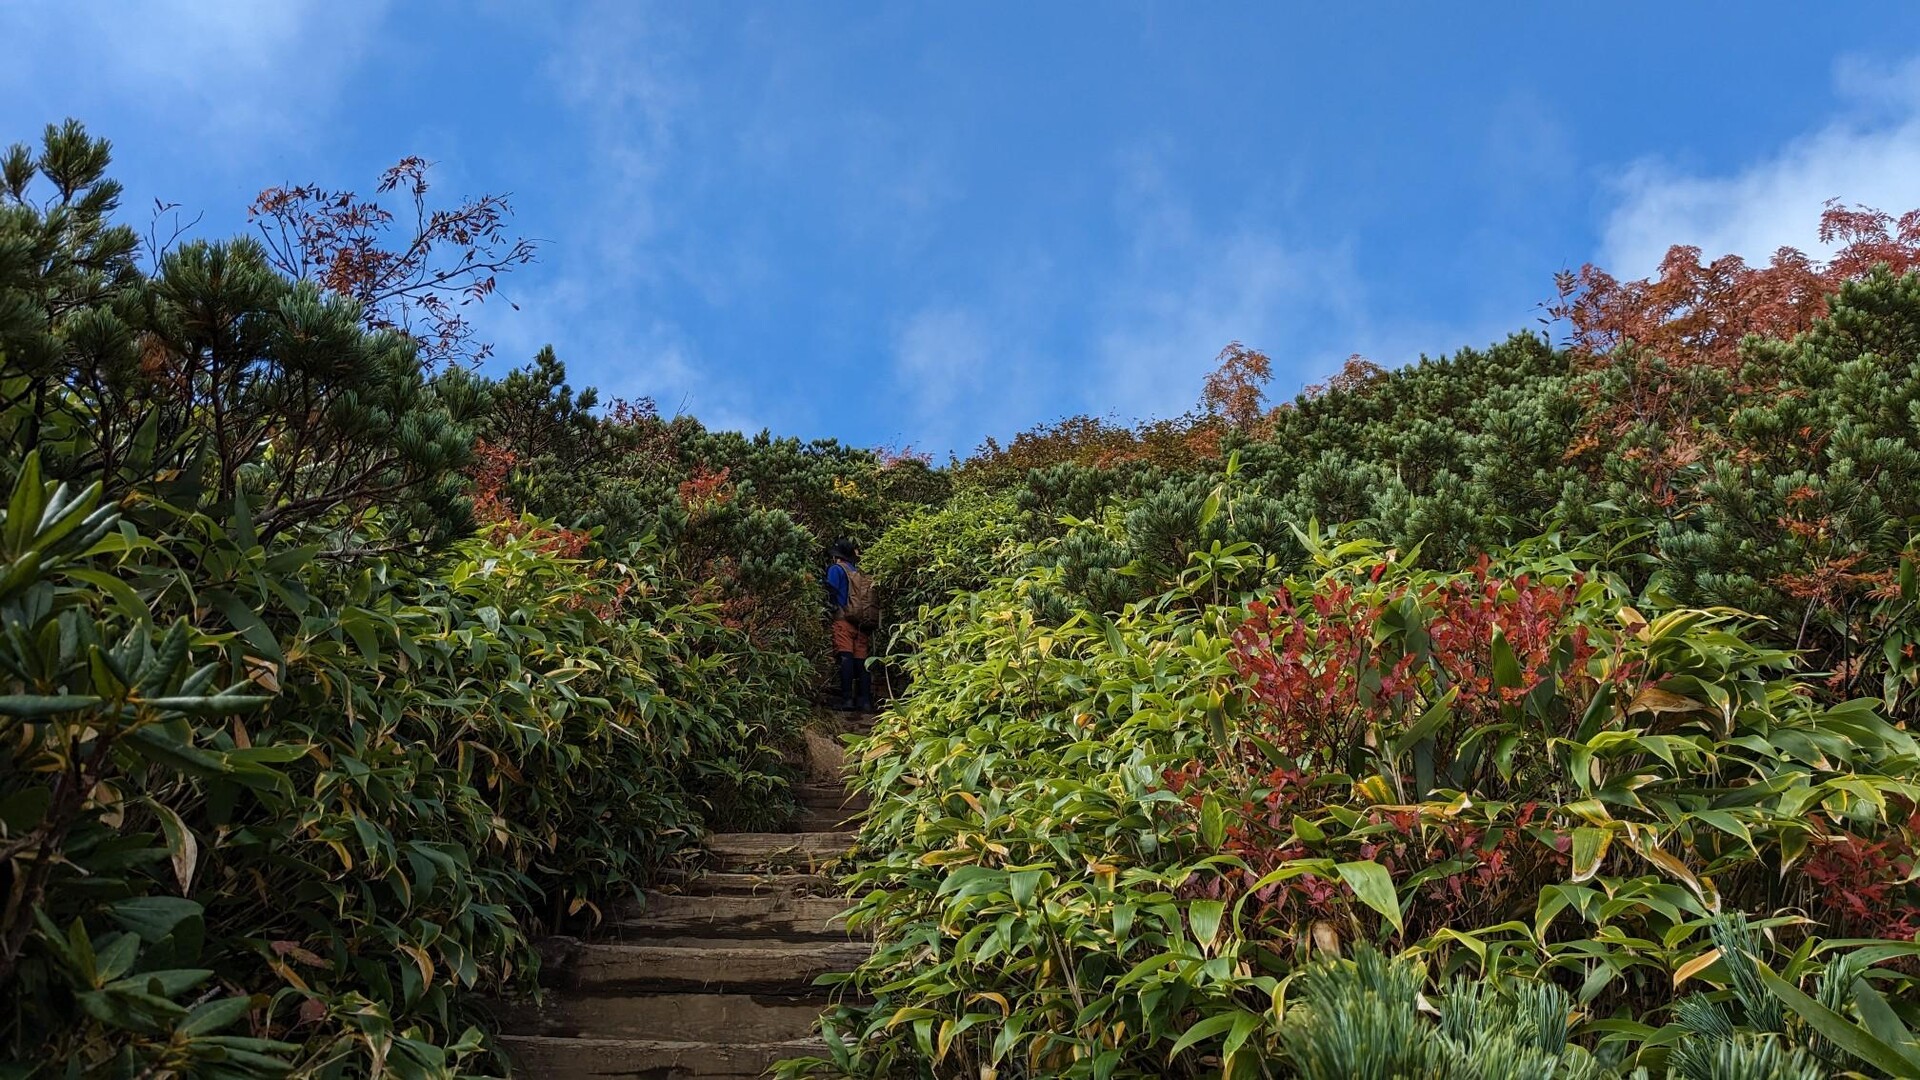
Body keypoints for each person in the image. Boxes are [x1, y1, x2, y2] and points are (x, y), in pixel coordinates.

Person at [825, 538, 876, 711]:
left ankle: (847, 699)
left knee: (845, 658)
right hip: (862, 623)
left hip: (843, 619)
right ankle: (865, 701)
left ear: (837, 556)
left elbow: (831, 589)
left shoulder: (836, 569)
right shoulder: (857, 572)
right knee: (861, 661)